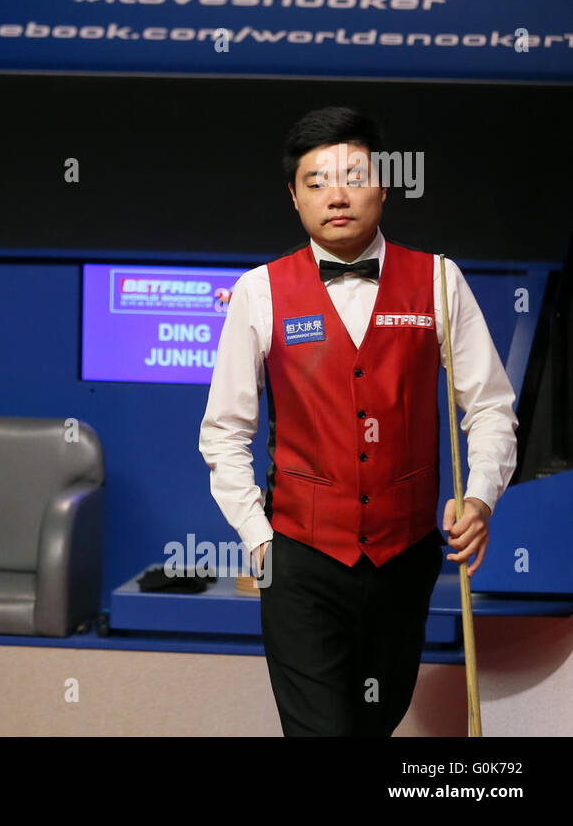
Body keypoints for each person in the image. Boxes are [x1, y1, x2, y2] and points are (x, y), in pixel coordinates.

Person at [198, 106, 518, 736]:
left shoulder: (438, 280)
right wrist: (259, 537)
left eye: (353, 175)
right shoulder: (260, 291)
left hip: (406, 555)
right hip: (299, 561)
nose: (336, 195)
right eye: (316, 182)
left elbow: (488, 407)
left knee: (375, 722)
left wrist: (479, 499)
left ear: (384, 185)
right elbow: (225, 431)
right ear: (293, 197)